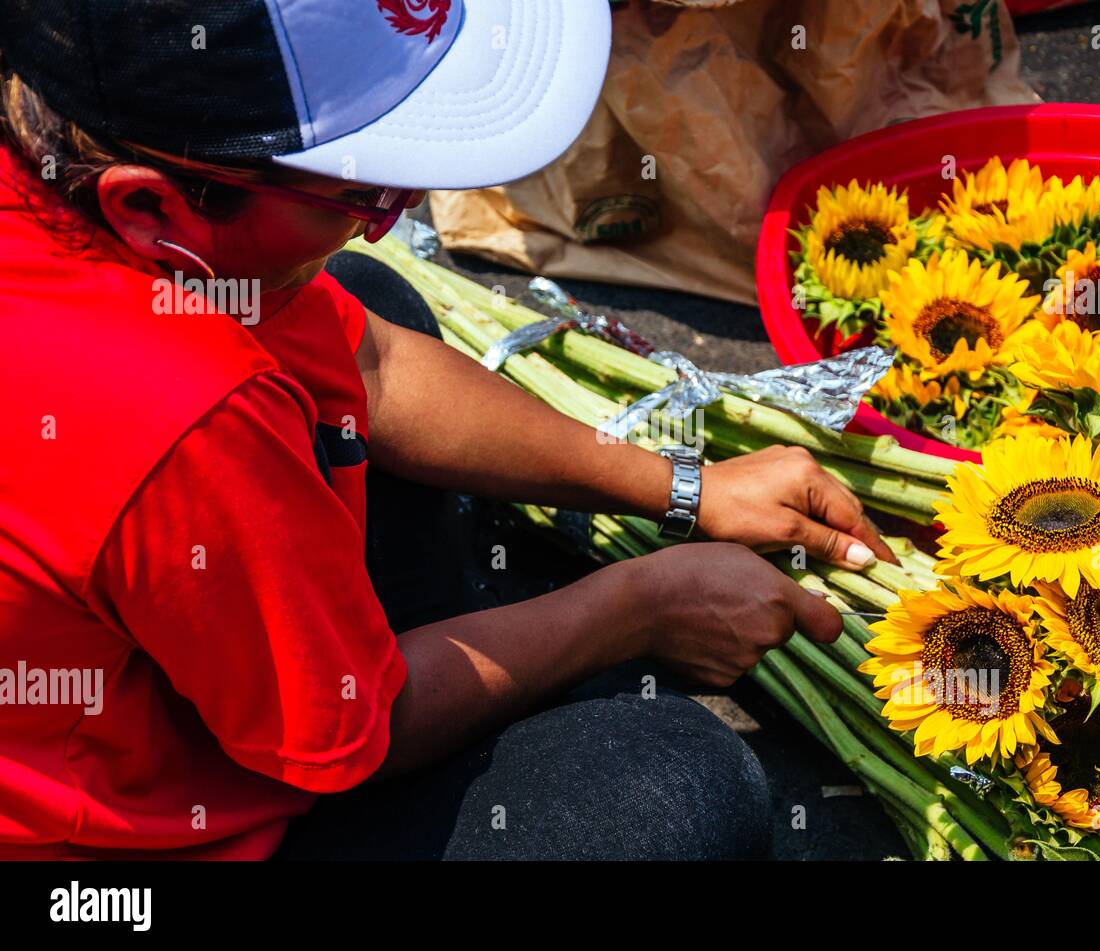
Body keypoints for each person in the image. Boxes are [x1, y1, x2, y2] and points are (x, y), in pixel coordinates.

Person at [0, 0, 895, 860]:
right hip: (122, 834)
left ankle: (441, 659)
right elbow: (364, 724)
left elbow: (374, 366)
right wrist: (638, 609)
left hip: (168, 623)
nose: (395, 218)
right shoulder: (186, 413)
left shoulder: (69, 149)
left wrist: (684, 486)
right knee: (678, 782)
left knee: (370, 293)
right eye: (367, 193)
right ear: (150, 205)